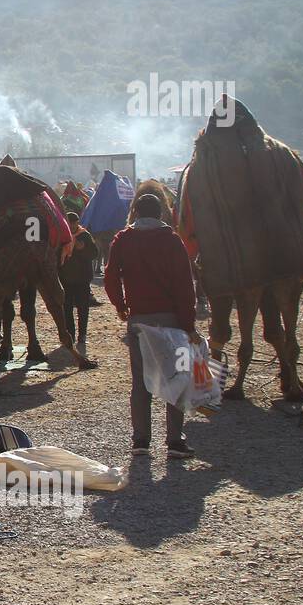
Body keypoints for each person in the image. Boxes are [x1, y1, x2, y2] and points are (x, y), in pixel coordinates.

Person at [104, 192, 201, 459]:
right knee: (177, 378)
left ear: (135, 212)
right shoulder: (172, 241)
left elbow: (110, 276)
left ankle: (141, 440)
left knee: (141, 381)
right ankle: (174, 441)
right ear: (161, 214)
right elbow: (184, 287)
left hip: (139, 320)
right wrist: (189, 324)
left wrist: (121, 305)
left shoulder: (123, 240)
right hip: (171, 320)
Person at [59, 211, 99, 355]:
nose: (72, 226)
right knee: (67, 308)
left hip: (82, 279)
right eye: (69, 223)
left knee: (83, 308)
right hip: (66, 279)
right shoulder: (62, 236)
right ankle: (70, 333)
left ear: (77, 223)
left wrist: (83, 249)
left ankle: (82, 334)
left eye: (74, 223)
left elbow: (94, 253)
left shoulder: (84, 235)